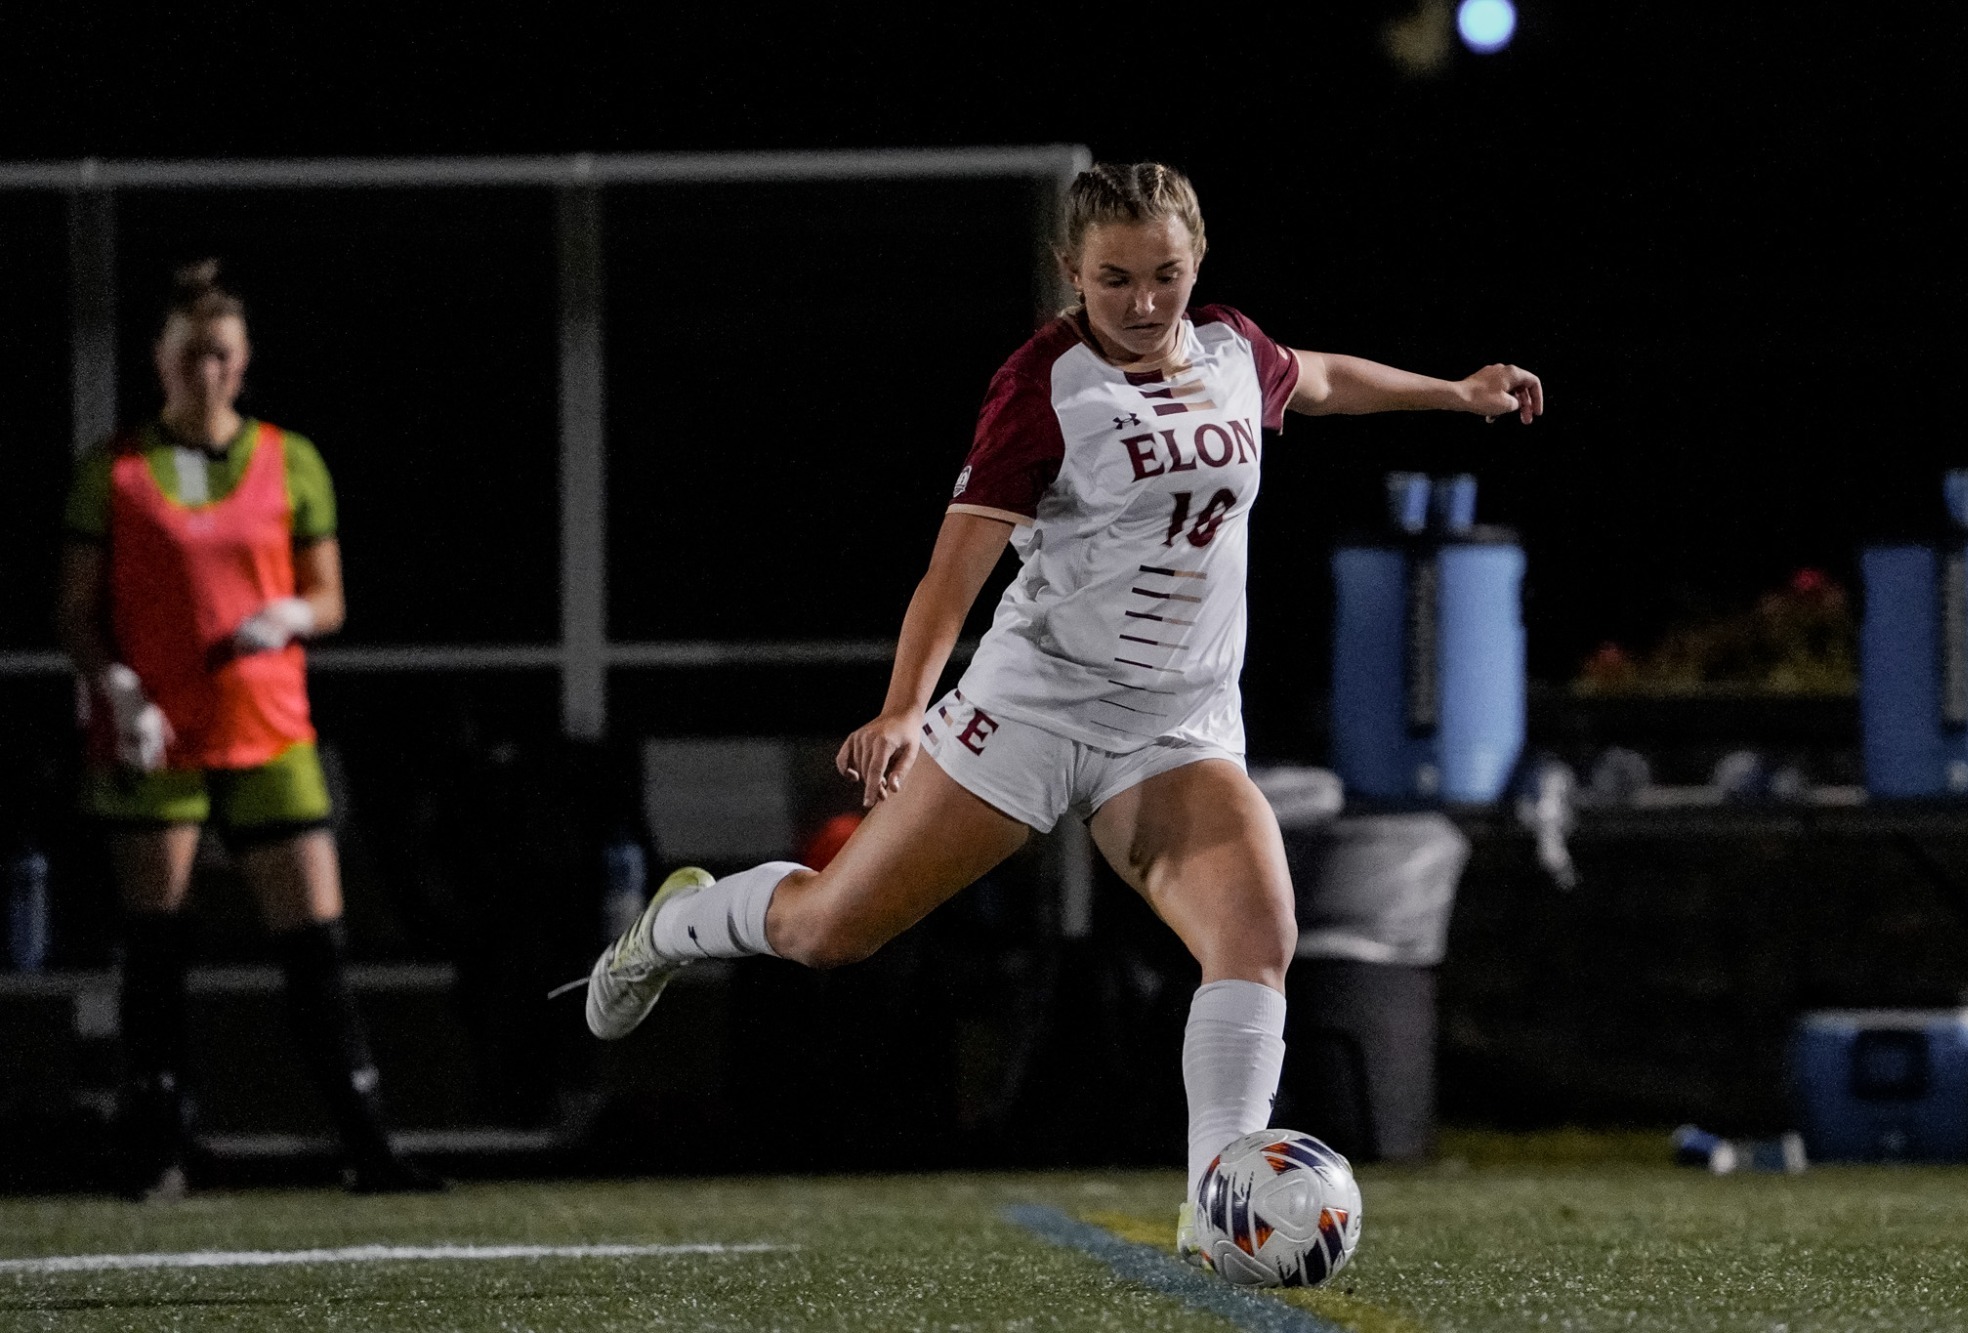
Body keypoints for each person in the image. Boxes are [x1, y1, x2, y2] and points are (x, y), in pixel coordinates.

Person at [577, 163, 1541, 1254]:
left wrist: (1452, 394)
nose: (1141, 302)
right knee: (828, 930)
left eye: (1164, 275)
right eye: (1113, 278)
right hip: (1030, 710)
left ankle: (1215, 1208)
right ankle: (673, 924)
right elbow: (953, 573)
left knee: (1256, 935)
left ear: (1198, 264)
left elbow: (1313, 377)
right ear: (1068, 271)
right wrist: (905, 709)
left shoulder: (1231, 350)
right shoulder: (1044, 385)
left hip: (1173, 727)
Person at [54, 260, 439, 1199]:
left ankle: (365, 1139)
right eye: (190, 357)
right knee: (156, 945)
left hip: (267, 726)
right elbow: (75, 610)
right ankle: (156, 1143)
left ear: (244, 359)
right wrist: (115, 685)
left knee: (314, 941)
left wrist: (292, 618)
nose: (206, 373)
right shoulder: (116, 471)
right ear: (161, 360)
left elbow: (329, 596)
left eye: (221, 356)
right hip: (159, 737)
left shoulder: (288, 457)